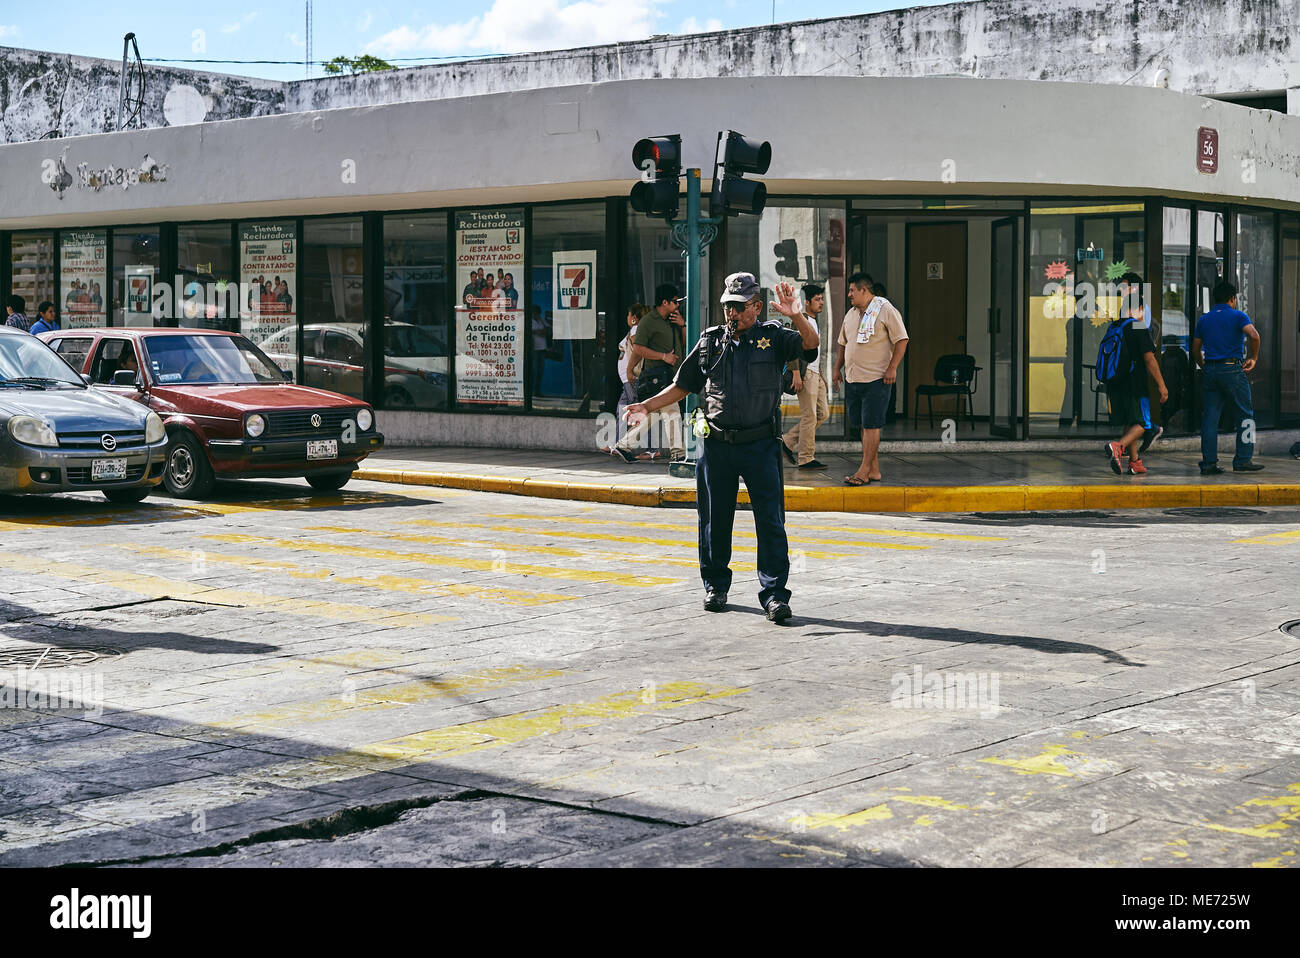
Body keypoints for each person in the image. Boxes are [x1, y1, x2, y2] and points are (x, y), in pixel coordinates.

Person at [625, 273, 819, 623]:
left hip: (760, 444)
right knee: (714, 520)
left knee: (771, 522)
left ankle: (774, 594)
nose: (732, 313)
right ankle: (715, 585)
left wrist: (797, 315)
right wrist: (646, 407)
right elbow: (681, 385)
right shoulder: (711, 341)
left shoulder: (774, 336)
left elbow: (811, 344)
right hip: (716, 445)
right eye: (727, 306)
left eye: (739, 306)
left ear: (757, 307)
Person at [834, 272, 908, 485]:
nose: (849, 294)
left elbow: (902, 339)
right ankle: (874, 469)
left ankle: (864, 470)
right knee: (862, 425)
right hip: (853, 378)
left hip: (876, 379)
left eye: (851, 290)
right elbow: (843, 343)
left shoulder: (885, 309)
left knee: (871, 425)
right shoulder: (851, 314)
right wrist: (837, 368)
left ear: (864, 290)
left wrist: (892, 368)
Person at [1193, 279, 1264, 474]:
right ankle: (1243, 459)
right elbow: (1254, 336)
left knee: (1210, 419)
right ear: (1232, 299)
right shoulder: (1238, 316)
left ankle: (1208, 463)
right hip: (1232, 369)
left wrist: (1205, 366)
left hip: (1211, 371)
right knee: (1245, 415)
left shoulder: (1204, 319)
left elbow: (1195, 349)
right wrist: (1254, 357)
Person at [1103, 273, 1169, 475]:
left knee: (1131, 421)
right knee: (1143, 424)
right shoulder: (1137, 327)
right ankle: (1118, 446)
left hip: (1115, 382)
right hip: (1134, 382)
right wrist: (1161, 385)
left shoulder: (1115, 325)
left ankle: (1135, 462)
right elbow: (1149, 359)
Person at [612, 283, 686, 463]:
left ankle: (624, 445)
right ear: (665, 302)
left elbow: (684, 344)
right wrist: (663, 357)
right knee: (671, 408)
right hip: (656, 376)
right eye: (675, 302)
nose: (677, 305)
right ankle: (679, 454)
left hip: (672, 374)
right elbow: (638, 347)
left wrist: (682, 324)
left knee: (654, 413)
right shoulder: (649, 321)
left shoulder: (672, 320)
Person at [780, 283, 830, 469]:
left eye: (822, 299)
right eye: (817, 299)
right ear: (807, 302)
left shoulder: (815, 321)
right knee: (809, 416)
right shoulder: (800, 320)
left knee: (822, 414)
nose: (821, 303)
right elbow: (791, 349)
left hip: (816, 374)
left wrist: (822, 375)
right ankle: (806, 458)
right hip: (805, 373)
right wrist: (795, 373)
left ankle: (786, 442)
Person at [602, 303, 652, 453]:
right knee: (621, 410)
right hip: (627, 379)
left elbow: (638, 349)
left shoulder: (636, 330)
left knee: (639, 413)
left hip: (631, 378)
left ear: (634, 318)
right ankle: (618, 443)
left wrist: (630, 371)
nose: (627, 318)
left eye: (629, 315)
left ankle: (650, 448)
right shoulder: (636, 330)